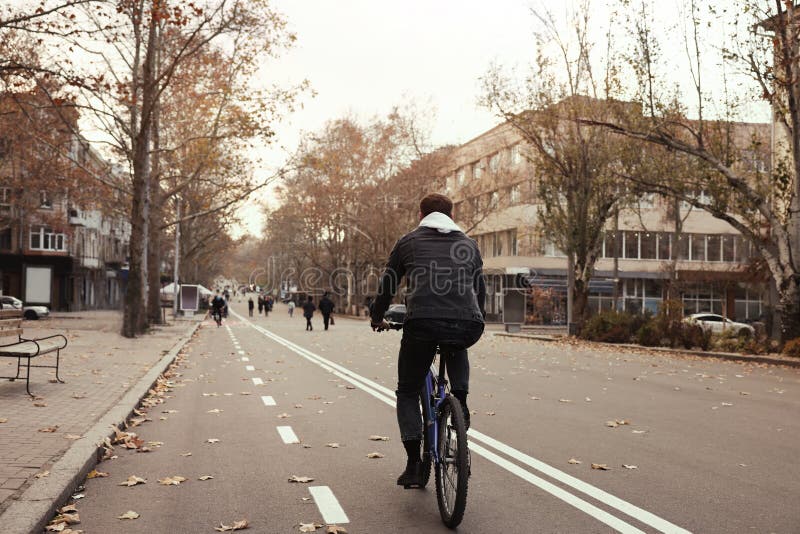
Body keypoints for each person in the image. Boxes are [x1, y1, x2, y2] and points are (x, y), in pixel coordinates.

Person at [370, 193, 485, 488]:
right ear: (452, 214)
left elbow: (388, 284)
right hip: (468, 323)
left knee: (407, 390)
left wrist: (376, 316)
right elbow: (479, 290)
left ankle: (413, 464)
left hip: (422, 323)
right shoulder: (470, 245)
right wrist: (476, 317)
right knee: (457, 339)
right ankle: (461, 398)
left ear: (421, 214)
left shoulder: (408, 242)